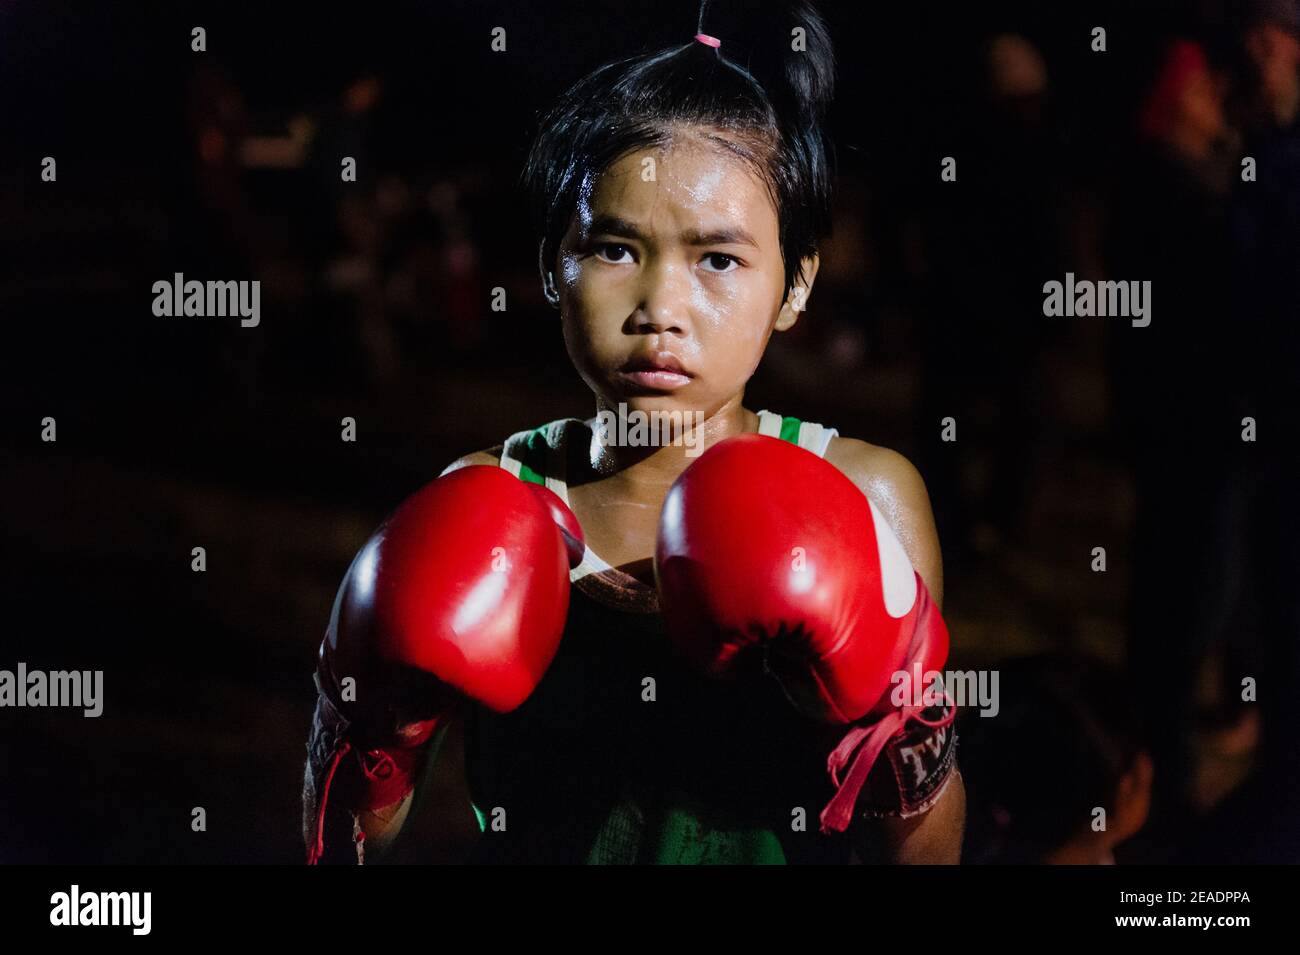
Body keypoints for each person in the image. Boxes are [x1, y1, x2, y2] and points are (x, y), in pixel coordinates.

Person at [301, 0, 964, 865]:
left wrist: (891, 720)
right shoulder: (487, 497)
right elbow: (348, 841)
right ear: (551, 265)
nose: (660, 309)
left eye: (718, 259)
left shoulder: (867, 494)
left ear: (796, 286)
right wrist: (378, 713)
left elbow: (925, 854)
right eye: (616, 248)